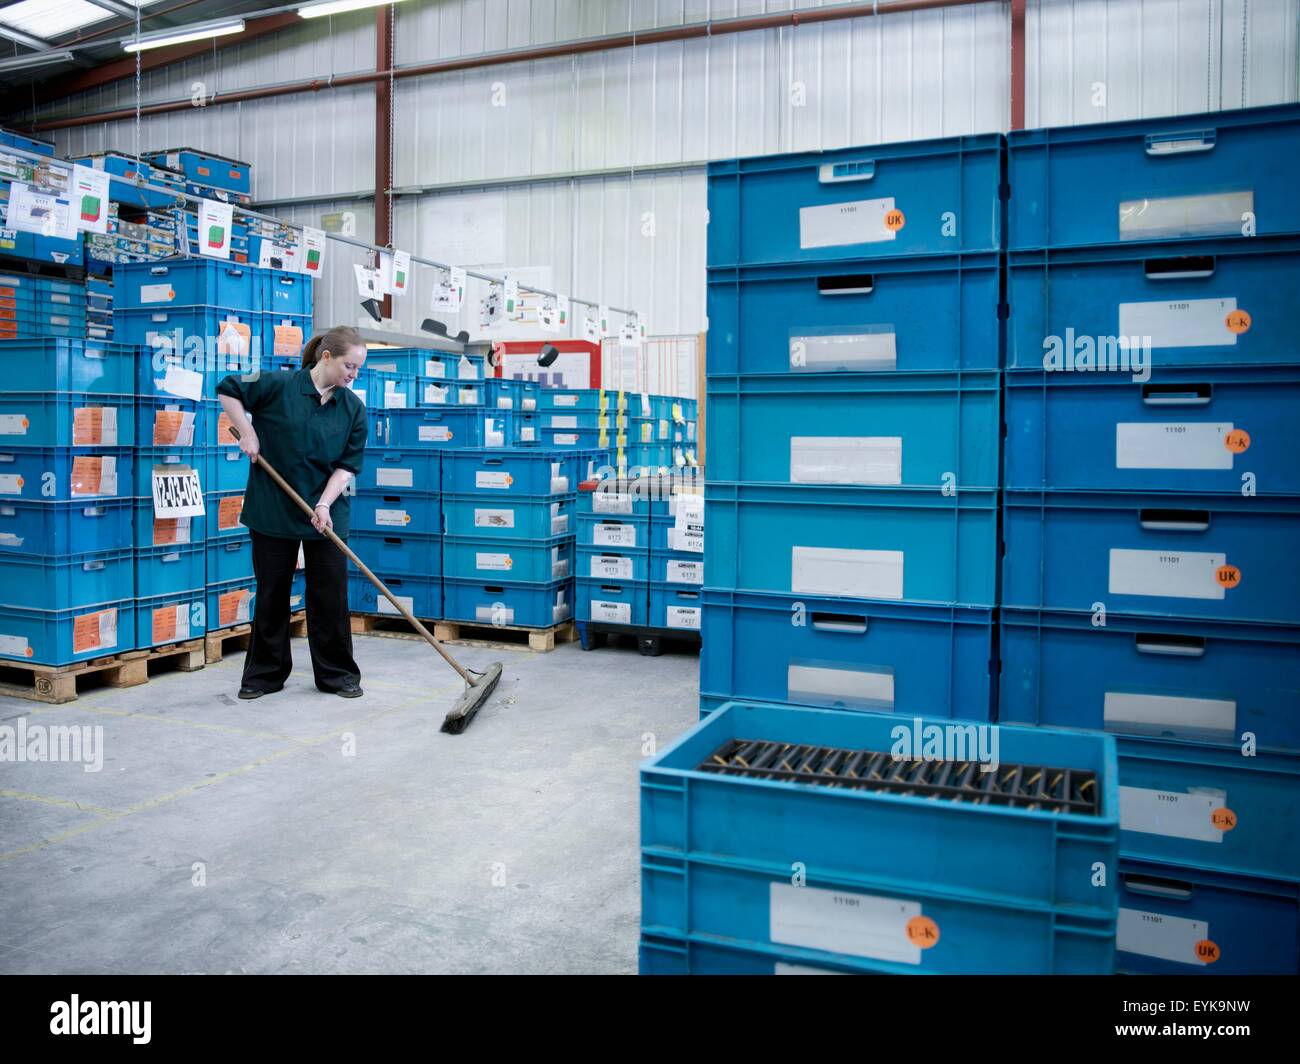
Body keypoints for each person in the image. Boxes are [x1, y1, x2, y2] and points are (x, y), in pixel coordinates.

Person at [216, 325, 369, 700]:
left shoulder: (353, 408)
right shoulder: (277, 384)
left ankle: (337, 675)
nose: (353, 374)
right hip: (273, 508)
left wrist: (323, 504)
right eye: (349, 366)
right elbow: (227, 386)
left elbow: (347, 465)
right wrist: (247, 431)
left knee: (330, 595)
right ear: (326, 357)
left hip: (327, 512)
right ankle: (264, 675)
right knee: (272, 592)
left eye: (358, 369)